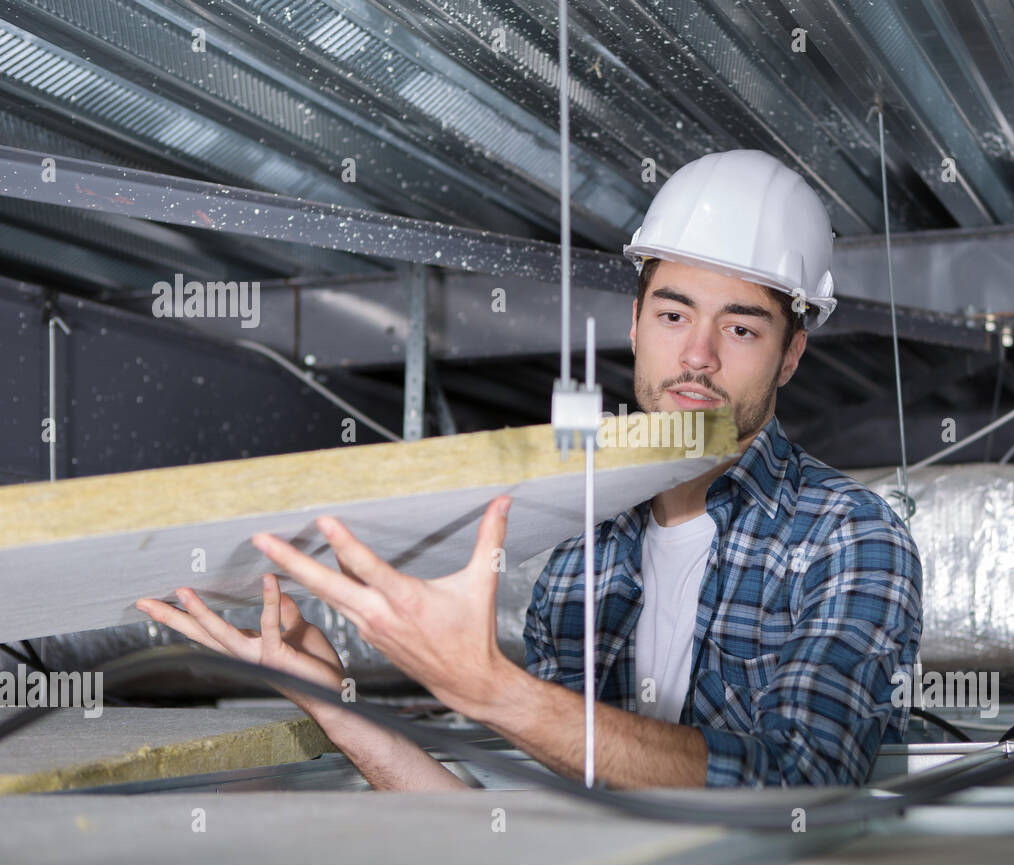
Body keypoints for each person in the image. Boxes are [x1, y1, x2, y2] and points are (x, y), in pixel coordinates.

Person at [137, 150, 923, 790]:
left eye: (742, 327)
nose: (697, 356)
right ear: (637, 323)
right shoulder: (583, 549)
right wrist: (337, 704)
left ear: (791, 354)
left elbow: (808, 786)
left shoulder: (847, 538)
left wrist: (493, 689)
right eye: (674, 314)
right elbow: (508, 830)